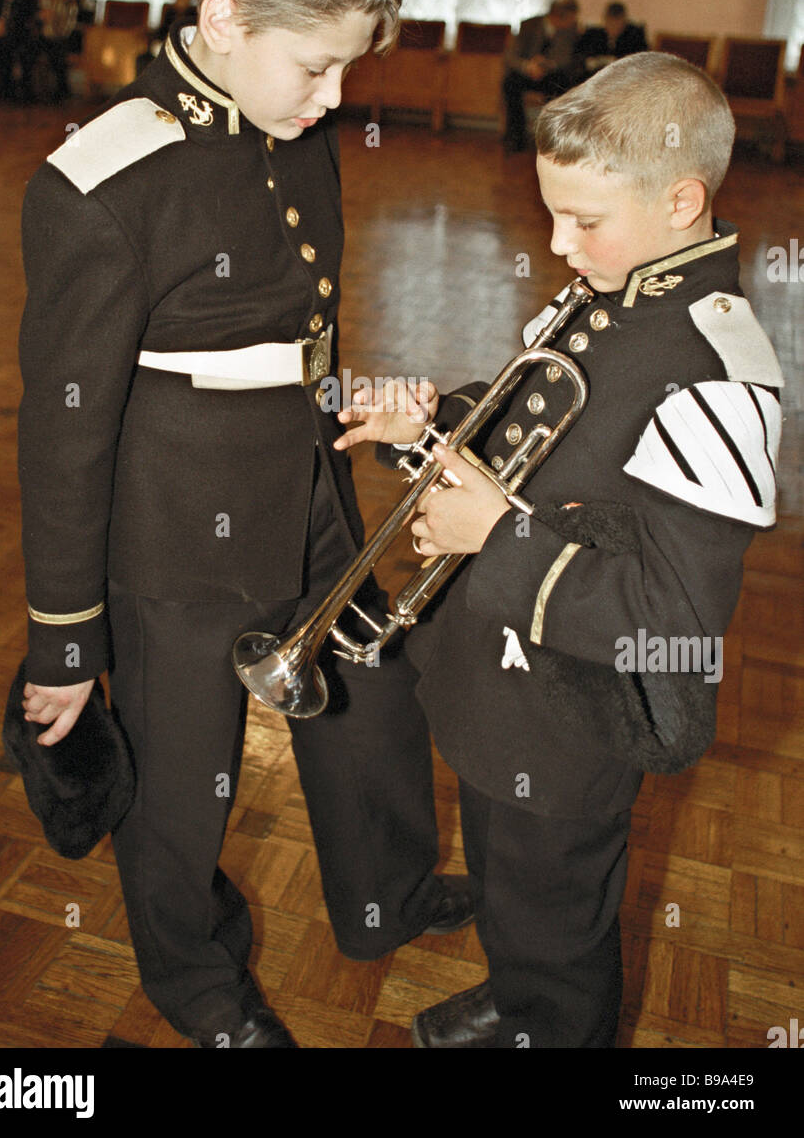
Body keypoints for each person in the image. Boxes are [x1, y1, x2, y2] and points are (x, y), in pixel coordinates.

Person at [16, 0, 472, 1050]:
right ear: (223, 19)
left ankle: (386, 898)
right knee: (180, 779)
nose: (335, 96)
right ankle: (201, 990)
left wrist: (348, 399)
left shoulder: (287, 114)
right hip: (174, 528)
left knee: (373, 702)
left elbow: (295, 323)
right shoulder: (106, 181)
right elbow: (62, 428)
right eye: (316, 66)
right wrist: (67, 640)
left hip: (306, 479)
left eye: (348, 70)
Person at [334, 51, 783, 1048]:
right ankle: (516, 988)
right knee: (506, 873)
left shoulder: (717, 372)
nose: (556, 239)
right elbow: (525, 431)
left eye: (582, 218)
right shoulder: (608, 288)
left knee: (560, 913)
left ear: (681, 200)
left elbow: (675, 624)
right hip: (503, 691)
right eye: (553, 213)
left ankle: (557, 1020)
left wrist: (495, 535)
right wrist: (427, 422)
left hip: (571, 719)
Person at [501, 0, 583, 151]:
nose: (573, 21)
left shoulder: (571, 30)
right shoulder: (529, 25)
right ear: (558, 16)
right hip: (527, 72)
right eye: (570, 18)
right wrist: (528, 66)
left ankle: (552, 136)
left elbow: (565, 58)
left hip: (551, 74)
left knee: (562, 85)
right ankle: (516, 137)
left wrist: (545, 65)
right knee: (510, 83)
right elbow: (511, 56)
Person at [35, 0, 96, 101]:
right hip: (52, 36)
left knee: (57, 48)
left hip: (72, 38)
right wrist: (42, 15)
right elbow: (40, 15)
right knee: (33, 45)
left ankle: (61, 91)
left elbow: (89, 19)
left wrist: (75, 1)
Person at [574, 1, 647, 79]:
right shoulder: (592, 33)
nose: (614, 26)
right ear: (604, 20)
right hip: (595, 77)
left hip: (625, 77)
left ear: (625, 21)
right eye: (610, 22)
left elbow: (641, 59)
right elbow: (579, 55)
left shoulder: (635, 35)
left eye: (618, 23)